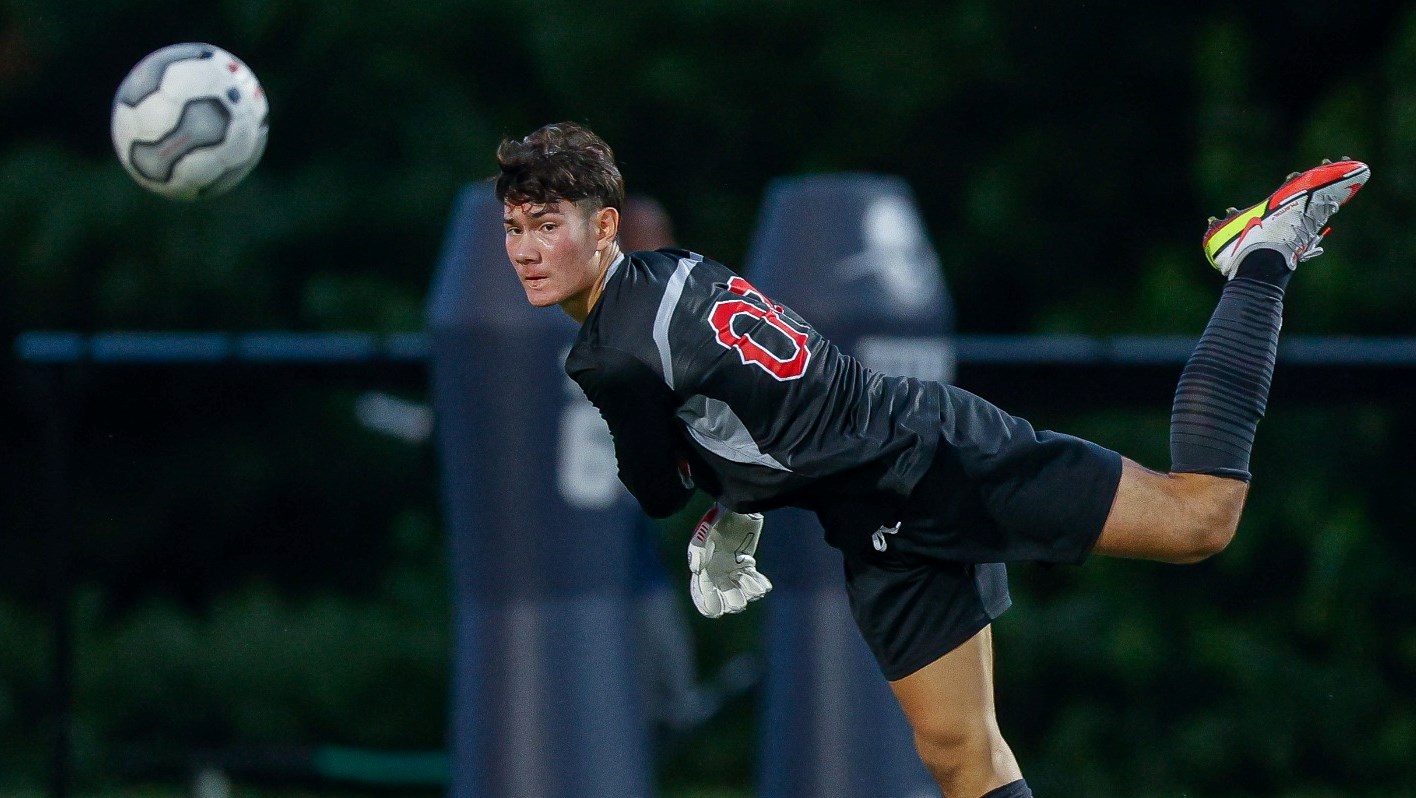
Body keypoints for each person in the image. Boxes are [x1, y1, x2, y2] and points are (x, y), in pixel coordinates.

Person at [494, 121, 1369, 798]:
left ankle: (1257, 254)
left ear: (603, 225)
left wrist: (715, 497)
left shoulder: (605, 353)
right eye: (513, 228)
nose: (527, 249)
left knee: (1198, 519)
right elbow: (756, 406)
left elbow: (651, 490)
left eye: (547, 224)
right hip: (877, 516)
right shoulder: (675, 266)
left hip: (930, 458)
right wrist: (736, 499)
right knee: (961, 759)